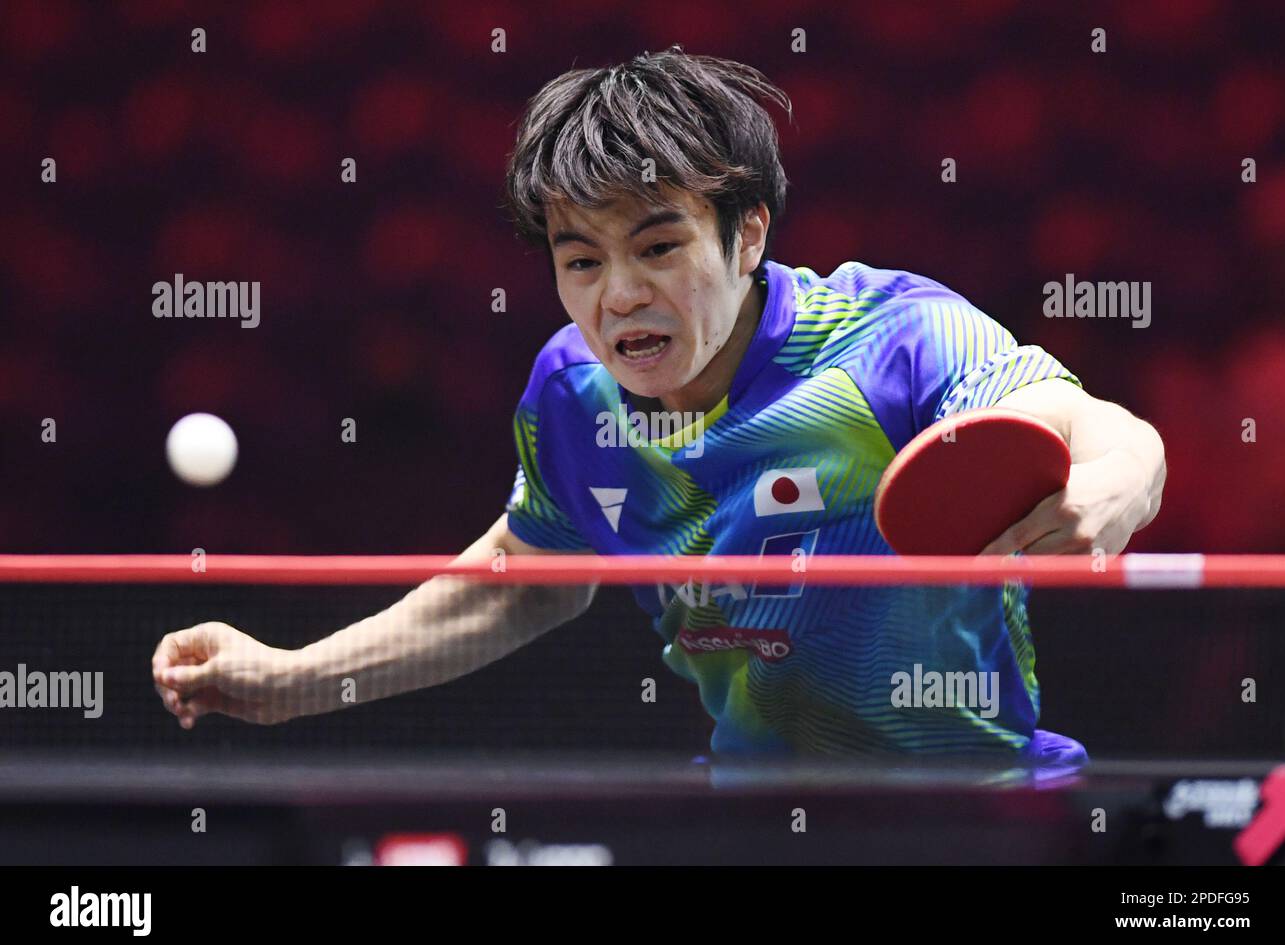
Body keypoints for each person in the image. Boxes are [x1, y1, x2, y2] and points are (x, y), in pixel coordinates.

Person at [153, 48, 1165, 764]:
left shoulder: (889, 336)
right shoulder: (573, 390)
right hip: (744, 829)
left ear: (747, 234)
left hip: (978, 820)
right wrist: (292, 679)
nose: (618, 295)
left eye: (657, 245)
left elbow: (1093, 422)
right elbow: (524, 580)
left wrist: (1116, 482)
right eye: (580, 260)